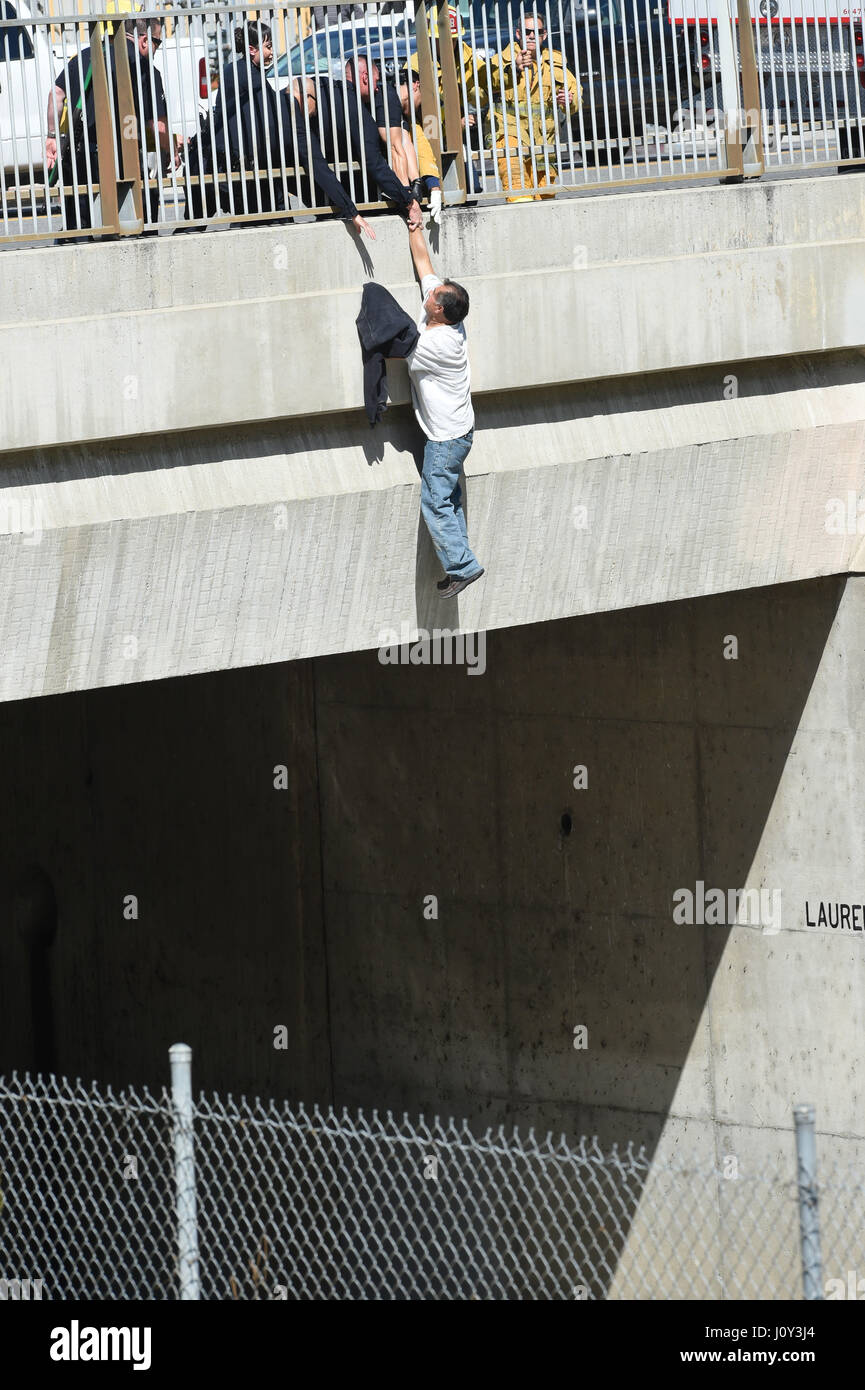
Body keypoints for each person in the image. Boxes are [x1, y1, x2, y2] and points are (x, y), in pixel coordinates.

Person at [405, 223, 484, 600]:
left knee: (435, 500)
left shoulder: (439, 343)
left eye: (435, 293)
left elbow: (396, 346)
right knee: (449, 500)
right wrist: (414, 224)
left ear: (438, 309)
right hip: (459, 430)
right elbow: (424, 263)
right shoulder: (446, 315)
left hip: (447, 438)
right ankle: (460, 561)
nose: (431, 288)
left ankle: (463, 567)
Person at [45, 16, 179, 233]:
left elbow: (56, 95)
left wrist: (52, 136)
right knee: (131, 224)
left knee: (82, 226)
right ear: (144, 40)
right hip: (123, 160)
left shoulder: (87, 56)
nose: (156, 49)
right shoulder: (144, 68)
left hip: (82, 158)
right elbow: (157, 125)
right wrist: (171, 149)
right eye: (157, 43)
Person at [312, 54, 422, 228]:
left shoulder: (326, 89)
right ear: (364, 78)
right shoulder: (355, 110)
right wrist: (409, 201)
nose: (377, 88)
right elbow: (375, 163)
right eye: (376, 80)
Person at [488, 8, 580, 202]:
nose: (532, 36)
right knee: (519, 192)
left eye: (537, 32)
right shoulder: (501, 60)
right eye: (527, 32)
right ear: (518, 34)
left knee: (545, 196)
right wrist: (513, 68)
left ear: (544, 35)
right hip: (510, 135)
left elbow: (574, 90)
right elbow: (486, 84)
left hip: (543, 140)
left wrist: (569, 100)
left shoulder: (553, 63)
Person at [397, 60, 442, 223]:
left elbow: (422, 149)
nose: (420, 104)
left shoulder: (406, 118)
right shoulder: (391, 105)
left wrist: (434, 187)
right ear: (416, 85)